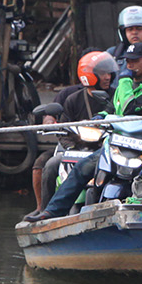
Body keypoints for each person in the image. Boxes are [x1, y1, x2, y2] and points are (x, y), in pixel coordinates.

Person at [23, 45, 142, 223]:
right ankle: (52, 211)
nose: (130, 65)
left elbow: (129, 108)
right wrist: (97, 118)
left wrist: (125, 81)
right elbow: (112, 109)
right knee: (82, 168)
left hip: (141, 148)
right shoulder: (81, 95)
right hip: (115, 144)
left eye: (135, 61)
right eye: (128, 61)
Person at [27, 51, 117, 217]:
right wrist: (74, 147)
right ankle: (45, 210)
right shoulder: (73, 99)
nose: (107, 77)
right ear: (89, 75)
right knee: (51, 164)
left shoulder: (116, 96)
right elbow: (63, 133)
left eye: (108, 73)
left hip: (107, 150)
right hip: (76, 150)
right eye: (102, 73)